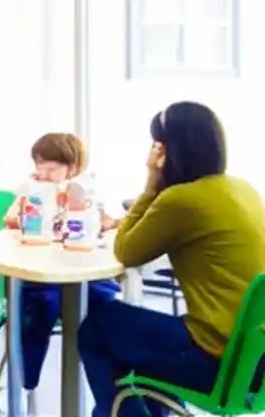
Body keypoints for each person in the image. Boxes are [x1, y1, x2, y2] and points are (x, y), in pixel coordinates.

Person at [78, 102, 265, 417]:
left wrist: (151, 182)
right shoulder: (242, 188)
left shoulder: (181, 200)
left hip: (218, 361)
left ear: (167, 150)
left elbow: (126, 251)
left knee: (98, 326)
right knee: (134, 333)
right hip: (255, 361)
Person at [2, 133, 121, 415]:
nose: (44, 174)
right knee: (38, 309)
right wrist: (27, 208)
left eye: (52, 168)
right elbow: (8, 220)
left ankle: (113, 400)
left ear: (73, 167)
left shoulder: (85, 189)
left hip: (84, 275)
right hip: (41, 274)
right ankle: (25, 384)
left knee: (108, 309)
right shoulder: (32, 188)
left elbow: (106, 222)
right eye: (40, 166)